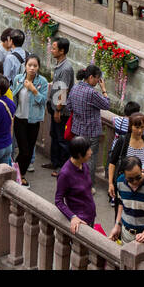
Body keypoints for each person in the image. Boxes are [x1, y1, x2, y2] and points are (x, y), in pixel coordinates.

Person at [9, 55, 48, 184]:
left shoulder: (42, 82)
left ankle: (20, 173)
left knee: (29, 150)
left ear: (38, 68)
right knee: (24, 150)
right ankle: (15, 172)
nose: (32, 68)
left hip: (33, 120)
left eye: (35, 66)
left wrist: (34, 90)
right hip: (20, 118)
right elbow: (13, 96)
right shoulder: (18, 79)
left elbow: (43, 101)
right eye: (29, 65)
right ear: (25, 66)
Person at [55, 137, 98, 234]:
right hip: (80, 221)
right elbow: (58, 201)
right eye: (88, 150)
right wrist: (72, 216)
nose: (91, 152)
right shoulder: (65, 174)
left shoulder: (84, 165)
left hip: (90, 215)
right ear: (79, 154)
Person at [45, 38, 75, 171]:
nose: (51, 50)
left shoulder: (66, 68)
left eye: (54, 48)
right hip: (54, 107)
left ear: (62, 51)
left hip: (61, 111)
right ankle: (55, 162)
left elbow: (63, 90)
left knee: (62, 140)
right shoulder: (59, 65)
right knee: (54, 136)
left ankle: (63, 168)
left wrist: (58, 110)